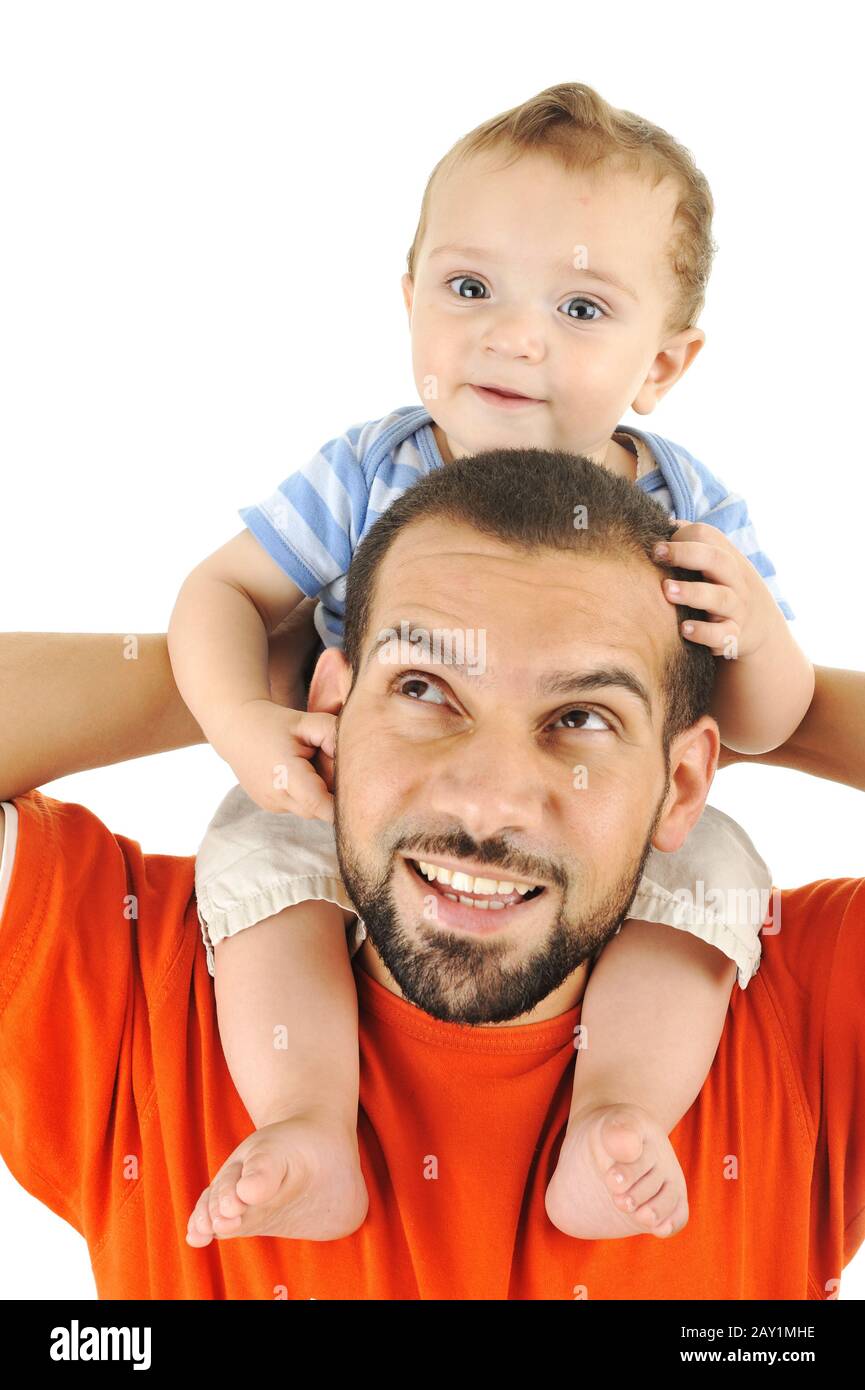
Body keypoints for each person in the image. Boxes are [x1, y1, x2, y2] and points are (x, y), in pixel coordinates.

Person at [165, 81, 814, 1245]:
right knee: (255, 854)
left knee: (710, 874)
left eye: (578, 306)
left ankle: (616, 1116)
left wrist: (755, 636)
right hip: (354, 800)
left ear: (661, 365)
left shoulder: (683, 508)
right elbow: (219, 593)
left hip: (612, 835)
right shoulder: (372, 470)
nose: (512, 336)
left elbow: (763, 723)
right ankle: (309, 1116)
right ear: (405, 297)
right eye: (469, 289)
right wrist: (242, 720)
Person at [0, 449, 862, 1300]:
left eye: (581, 716)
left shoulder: (806, 1017)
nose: (487, 804)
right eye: (423, 688)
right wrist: (238, 692)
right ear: (333, 706)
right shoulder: (135, 983)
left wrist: (764, 701)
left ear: (681, 784)